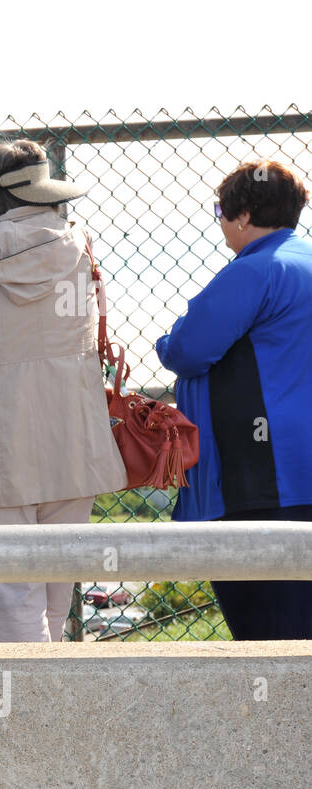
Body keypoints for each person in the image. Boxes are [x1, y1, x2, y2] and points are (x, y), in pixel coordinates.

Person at [0, 140, 126, 643]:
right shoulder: (80, 248)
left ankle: (23, 688)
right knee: (61, 583)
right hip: (75, 439)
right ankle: (52, 685)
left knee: (12, 592)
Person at [156, 159, 312, 640]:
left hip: (262, 481)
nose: (221, 221)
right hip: (299, 472)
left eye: (221, 211)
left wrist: (167, 339)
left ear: (243, 215)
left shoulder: (255, 270)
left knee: (270, 636)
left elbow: (186, 349)